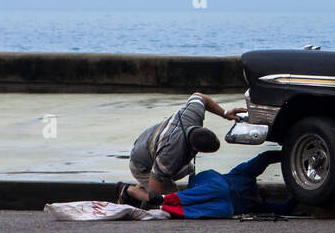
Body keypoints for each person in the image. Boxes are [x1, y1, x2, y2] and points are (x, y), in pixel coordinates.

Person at [120, 93, 245, 205]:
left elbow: (200, 96)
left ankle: (142, 187)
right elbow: (155, 177)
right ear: (194, 148)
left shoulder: (193, 116)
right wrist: (160, 203)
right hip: (142, 165)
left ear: (205, 129)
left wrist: (225, 113)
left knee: (189, 169)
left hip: (149, 144)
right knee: (172, 203)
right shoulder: (172, 153)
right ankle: (130, 192)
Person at [155, 150, 294, 219]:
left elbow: (285, 208)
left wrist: (304, 189)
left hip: (225, 205)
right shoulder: (245, 174)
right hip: (212, 185)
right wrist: (291, 156)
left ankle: (162, 208)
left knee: (220, 209)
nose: (265, 190)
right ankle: (162, 200)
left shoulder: (258, 206)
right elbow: (266, 157)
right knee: (219, 190)